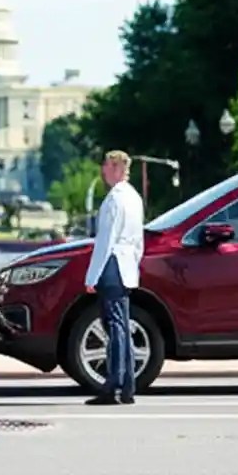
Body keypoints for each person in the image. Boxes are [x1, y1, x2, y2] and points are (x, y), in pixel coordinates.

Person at [83, 150, 144, 406]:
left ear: (118, 168)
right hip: (127, 264)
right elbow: (139, 239)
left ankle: (114, 385)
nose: (103, 171)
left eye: (107, 166)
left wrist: (91, 276)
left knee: (115, 326)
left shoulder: (114, 200)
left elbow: (104, 241)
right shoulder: (133, 197)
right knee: (123, 326)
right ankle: (127, 385)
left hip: (112, 264)